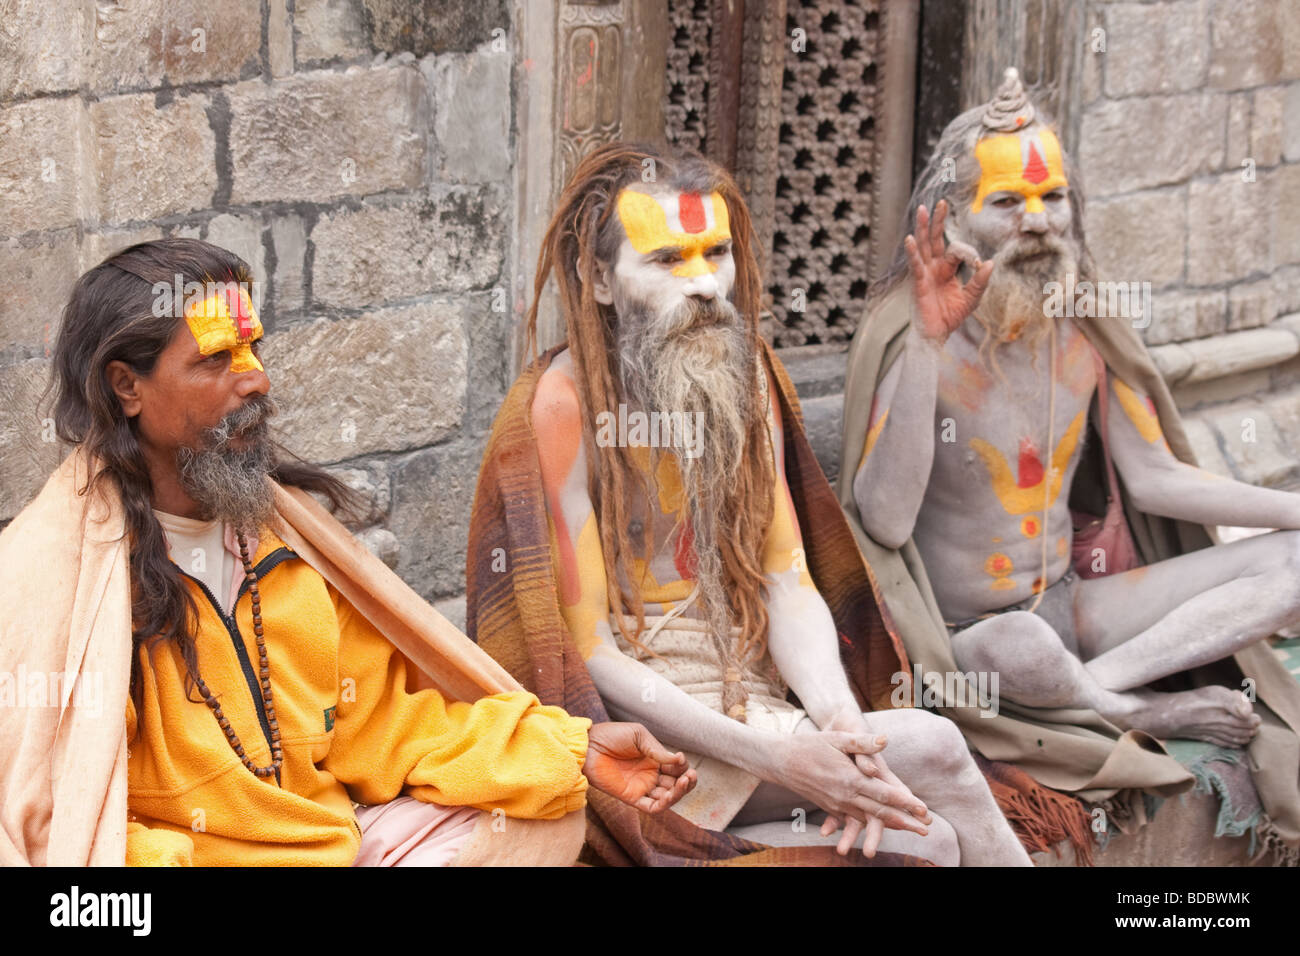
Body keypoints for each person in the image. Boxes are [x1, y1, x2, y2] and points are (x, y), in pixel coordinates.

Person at [0, 238, 695, 867]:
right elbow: (60, 819)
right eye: (216, 359)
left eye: (253, 351)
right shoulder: (59, 578)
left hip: (332, 844)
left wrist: (574, 750)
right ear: (127, 386)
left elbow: (387, 724)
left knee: (540, 819)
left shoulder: (279, 543)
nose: (256, 381)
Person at [468, 142, 1036, 866]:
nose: (706, 284)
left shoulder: (747, 378)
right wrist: (779, 758)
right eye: (669, 260)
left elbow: (788, 581)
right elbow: (586, 655)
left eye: (716, 252)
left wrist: (836, 729)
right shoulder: (561, 407)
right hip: (640, 737)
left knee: (932, 844)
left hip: (755, 695)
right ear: (600, 281)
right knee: (937, 749)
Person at [839, 68, 1300, 856]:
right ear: (954, 220)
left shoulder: (1084, 330)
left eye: (1053, 199)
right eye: (1010, 202)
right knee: (1015, 647)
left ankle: (1098, 693)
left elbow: (1155, 478)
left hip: (1075, 609)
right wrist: (925, 340)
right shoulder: (910, 337)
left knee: (1295, 561)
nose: (1040, 221)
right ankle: (1139, 714)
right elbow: (880, 517)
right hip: (971, 641)